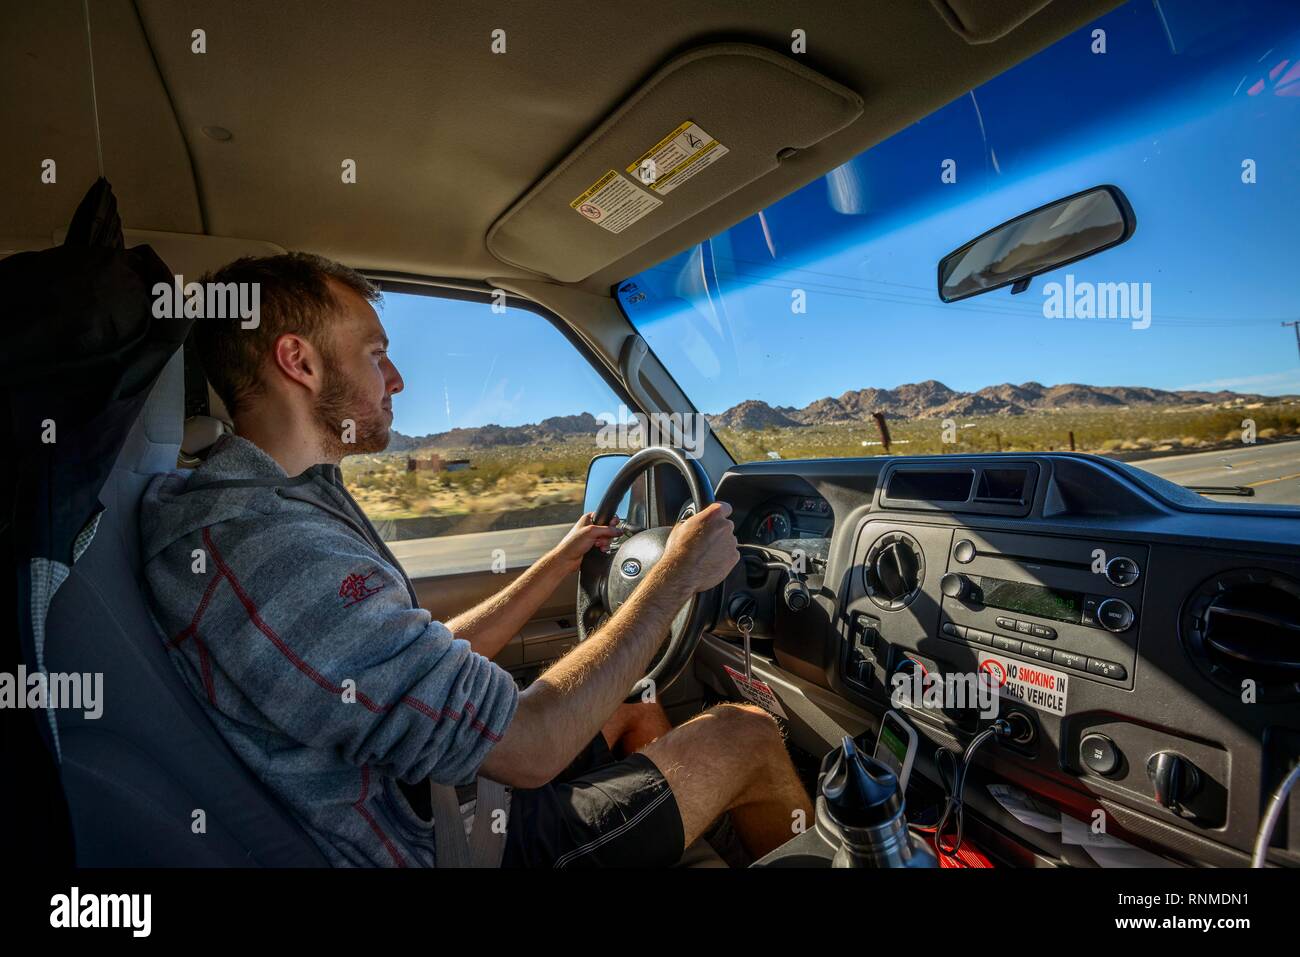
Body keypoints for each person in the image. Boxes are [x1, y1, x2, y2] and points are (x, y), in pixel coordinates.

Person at [139, 252, 813, 867]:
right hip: (436, 846)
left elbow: (423, 655)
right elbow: (535, 743)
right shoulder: (271, 550)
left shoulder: (283, 503)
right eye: (376, 353)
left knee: (634, 708)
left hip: (425, 790)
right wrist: (674, 577)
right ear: (300, 362)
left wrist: (557, 560)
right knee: (745, 734)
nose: (396, 377)